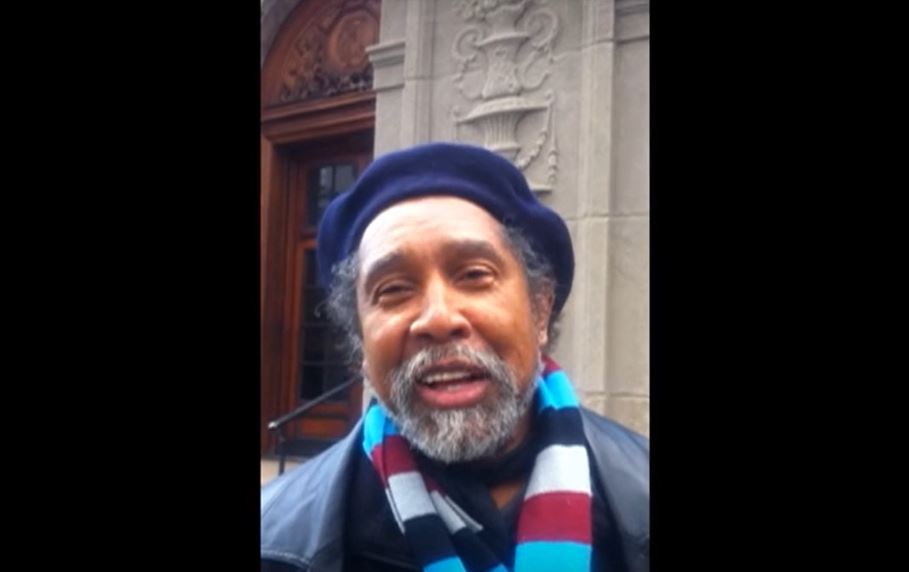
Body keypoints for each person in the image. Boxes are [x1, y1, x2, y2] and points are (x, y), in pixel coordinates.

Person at [261, 142, 649, 572]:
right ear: (360, 343)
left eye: (474, 275)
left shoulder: (637, 502)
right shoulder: (273, 541)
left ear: (540, 310)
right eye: (394, 290)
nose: (439, 318)